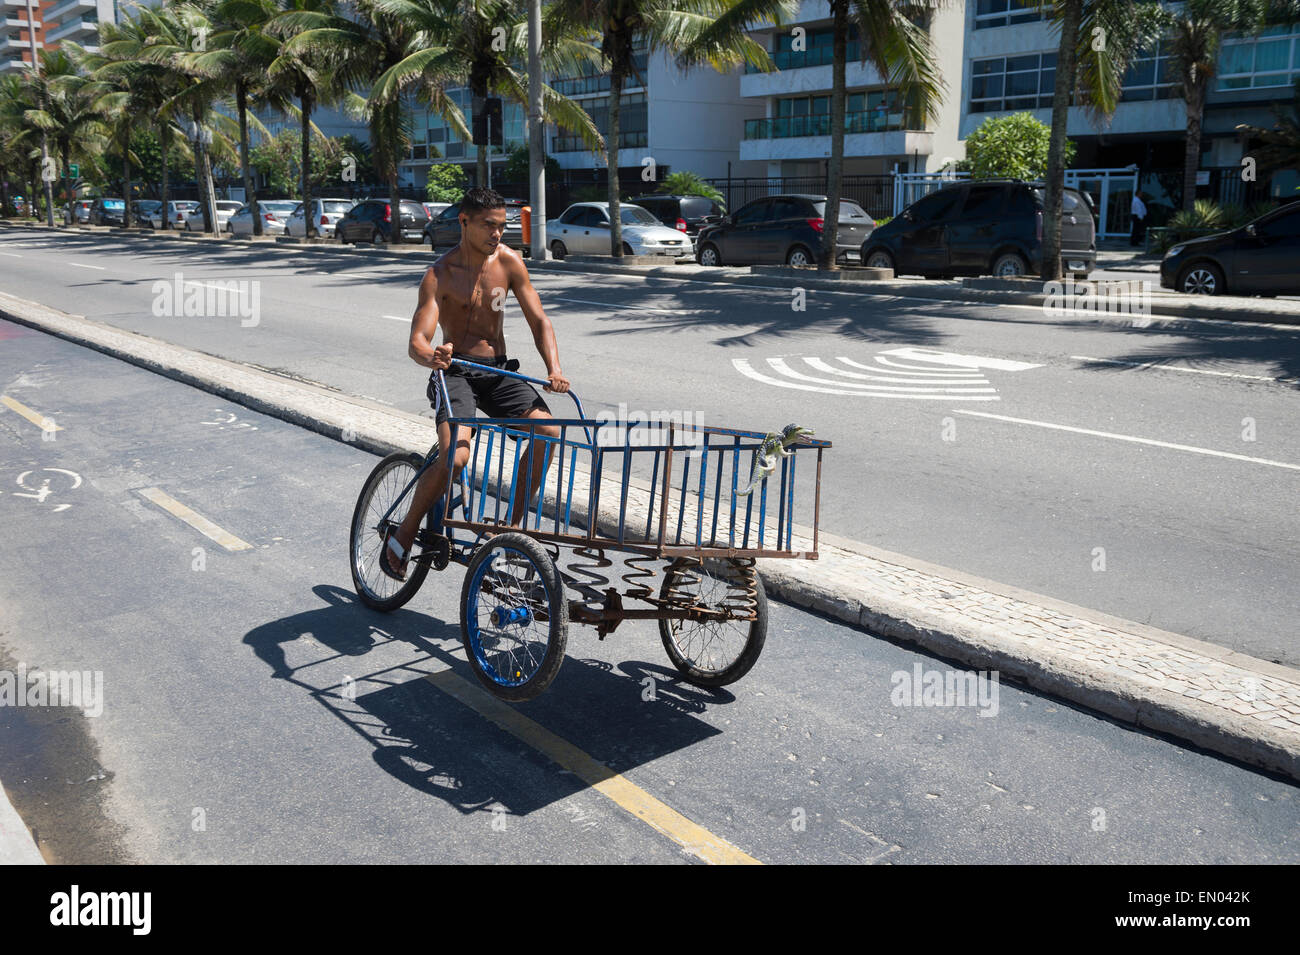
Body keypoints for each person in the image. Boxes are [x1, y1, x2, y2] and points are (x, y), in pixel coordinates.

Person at [382, 186, 569, 580]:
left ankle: (509, 530)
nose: (497, 234)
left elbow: (539, 321)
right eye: (488, 226)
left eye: (502, 226)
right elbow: (417, 339)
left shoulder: (511, 264)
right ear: (464, 222)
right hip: (455, 372)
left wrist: (553, 367)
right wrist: (431, 355)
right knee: (458, 458)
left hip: (499, 371)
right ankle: (406, 529)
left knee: (549, 431)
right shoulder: (439, 274)